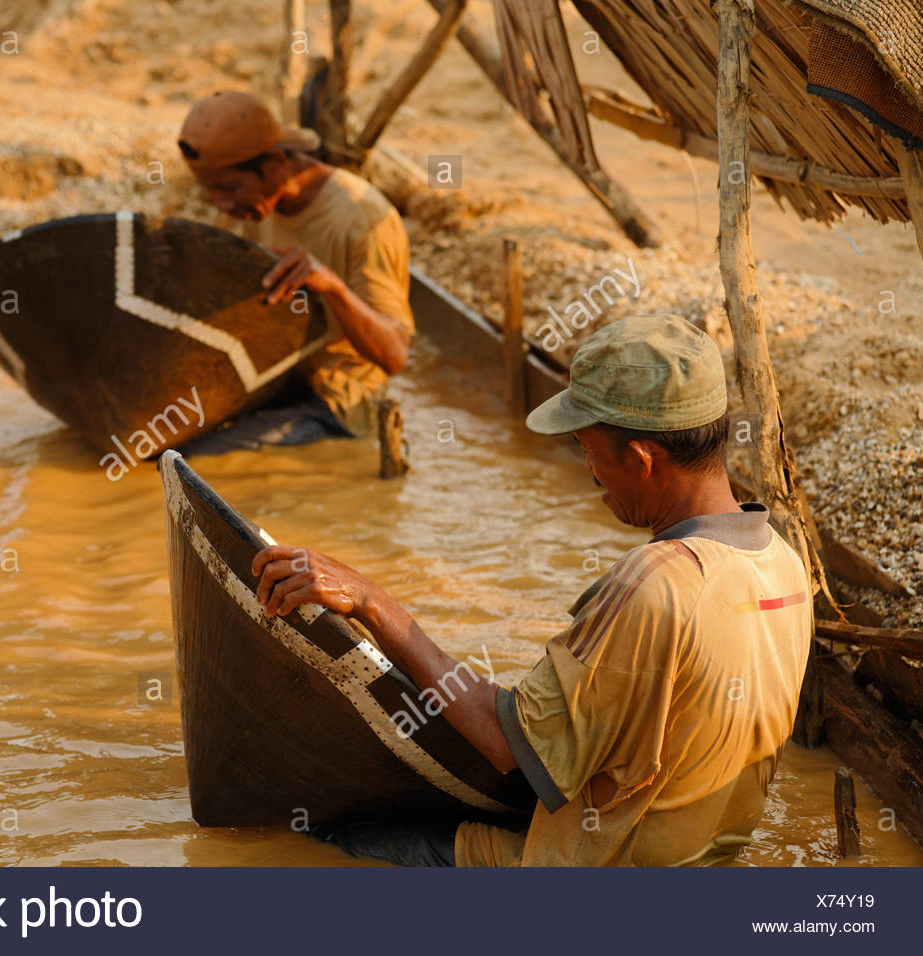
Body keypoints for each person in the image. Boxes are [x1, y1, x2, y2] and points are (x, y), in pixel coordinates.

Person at [251, 313, 814, 866]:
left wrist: (371, 601)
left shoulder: (656, 581)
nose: (593, 479)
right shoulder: (783, 565)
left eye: (590, 454)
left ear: (642, 459)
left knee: (320, 835)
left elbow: (505, 744)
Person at [175, 90, 414, 452]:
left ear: (274, 164)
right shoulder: (255, 205)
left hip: (338, 397)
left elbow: (395, 356)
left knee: (193, 456)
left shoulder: (362, 219)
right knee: (163, 429)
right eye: (210, 191)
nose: (221, 205)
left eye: (229, 189)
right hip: (274, 375)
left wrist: (331, 287)